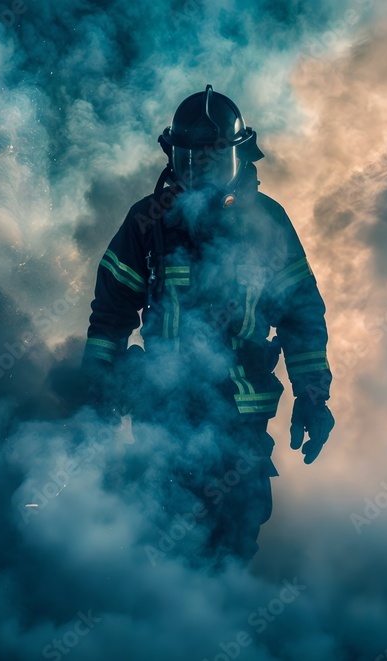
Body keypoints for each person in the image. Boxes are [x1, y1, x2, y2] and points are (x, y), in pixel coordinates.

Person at [81, 85, 335, 564]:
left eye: (211, 159)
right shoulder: (147, 221)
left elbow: (302, 316)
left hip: (240, 426)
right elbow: (111, 311)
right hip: (163, 418)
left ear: (239, 157)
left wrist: (314, 397)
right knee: (159, 545)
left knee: (232, 545)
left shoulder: (268, 224)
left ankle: (223, 632)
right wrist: (95, 385)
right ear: (171, 155)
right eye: (187, 158)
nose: (196, 170)